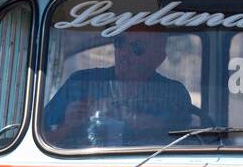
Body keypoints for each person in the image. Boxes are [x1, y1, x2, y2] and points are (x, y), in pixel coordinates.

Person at [44, 29, 194, 147]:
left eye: (137, 47)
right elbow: (40, 140)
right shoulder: (80, 83)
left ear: (158, 59)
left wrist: (129, 117)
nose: (124, 52)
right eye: (119, 42)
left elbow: (184, 142)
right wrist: (68, 126)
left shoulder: (173, 93)